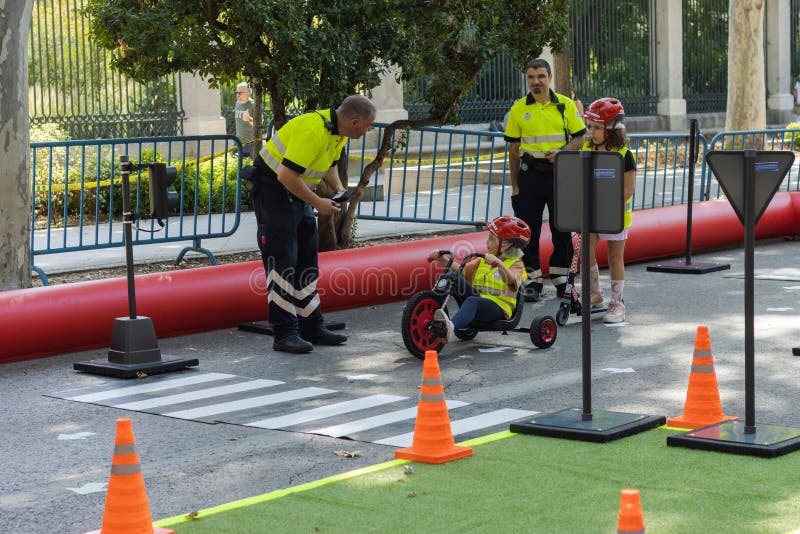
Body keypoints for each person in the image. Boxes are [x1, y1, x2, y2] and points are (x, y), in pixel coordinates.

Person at [250, 94, 377, 353]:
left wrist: (339, 188)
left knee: (307, 257)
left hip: (296, 190)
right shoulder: (313, 130)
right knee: (282, 260)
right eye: (368, 125)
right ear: (354, 122)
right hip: (272, 187)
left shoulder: (337, 132)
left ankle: (311, 326)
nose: (369, 130)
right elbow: (286, 176)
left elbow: (329, 166)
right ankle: (284, 333)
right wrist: (319, 203)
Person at [504, 58, 587, 302]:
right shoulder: (518, 109)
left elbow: (580, 138)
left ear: (549, 77)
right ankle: (532, 281)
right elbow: (513, 151)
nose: (536, 81)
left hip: (559, 175)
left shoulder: (565, 105)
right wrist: (515, 185)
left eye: (541, 76)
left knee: (562, 229)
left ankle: (562, 279)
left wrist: (562, 152)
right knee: (527, 232)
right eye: (531, 77)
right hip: (529, 176)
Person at [429, 216, 529, 343]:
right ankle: (434, 309)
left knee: (472, 301)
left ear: (506, 245)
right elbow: (463, 271)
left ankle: (449, 329)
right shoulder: (484, 259)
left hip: (499, 309)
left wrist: (499, 264)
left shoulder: (516, 264)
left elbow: (512, 282)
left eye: (492, 239)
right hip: (479, 300)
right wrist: (442, 259)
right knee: (452, 277)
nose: (487, 242)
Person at [582, 97, 636, 324]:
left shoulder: (624, 154)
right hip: (591, 213)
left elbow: (628, 189)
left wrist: (606, 204)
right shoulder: (587, 148)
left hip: (616, 216)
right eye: (589, 127)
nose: (591, 132)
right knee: (585, 252)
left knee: (615, 258)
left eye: (597, 128)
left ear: (612, 128)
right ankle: (595, 294)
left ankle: (617, 303)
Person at [234, 82, 255, 158]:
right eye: (237, 92)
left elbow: (259, 125)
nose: (238, 95)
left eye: (240, 93)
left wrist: (249, 119)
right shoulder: (237, 103)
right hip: (238, 141)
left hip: (251, 144)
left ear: (248, 93)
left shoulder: (253, 105)